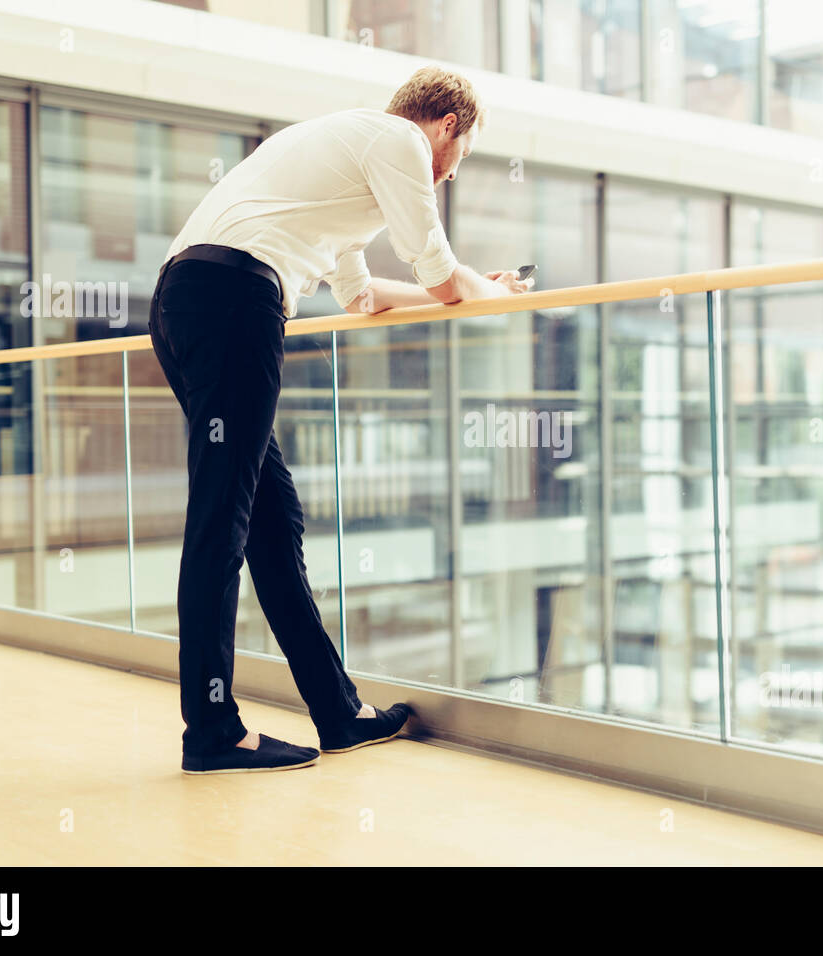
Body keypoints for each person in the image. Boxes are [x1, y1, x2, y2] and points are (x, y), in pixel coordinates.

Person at [149, 66, 534, 774]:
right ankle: (209, 729)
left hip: (190, 300)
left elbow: (362, 298)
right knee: (222, 520)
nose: (450, 174)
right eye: (464, 155)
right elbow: (440, 275)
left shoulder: (347, 165)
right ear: (447, 126)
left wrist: (479, 286)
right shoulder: (398, 143)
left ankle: (339, 712)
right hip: (234, 299)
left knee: (270, 519)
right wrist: (488, 292)